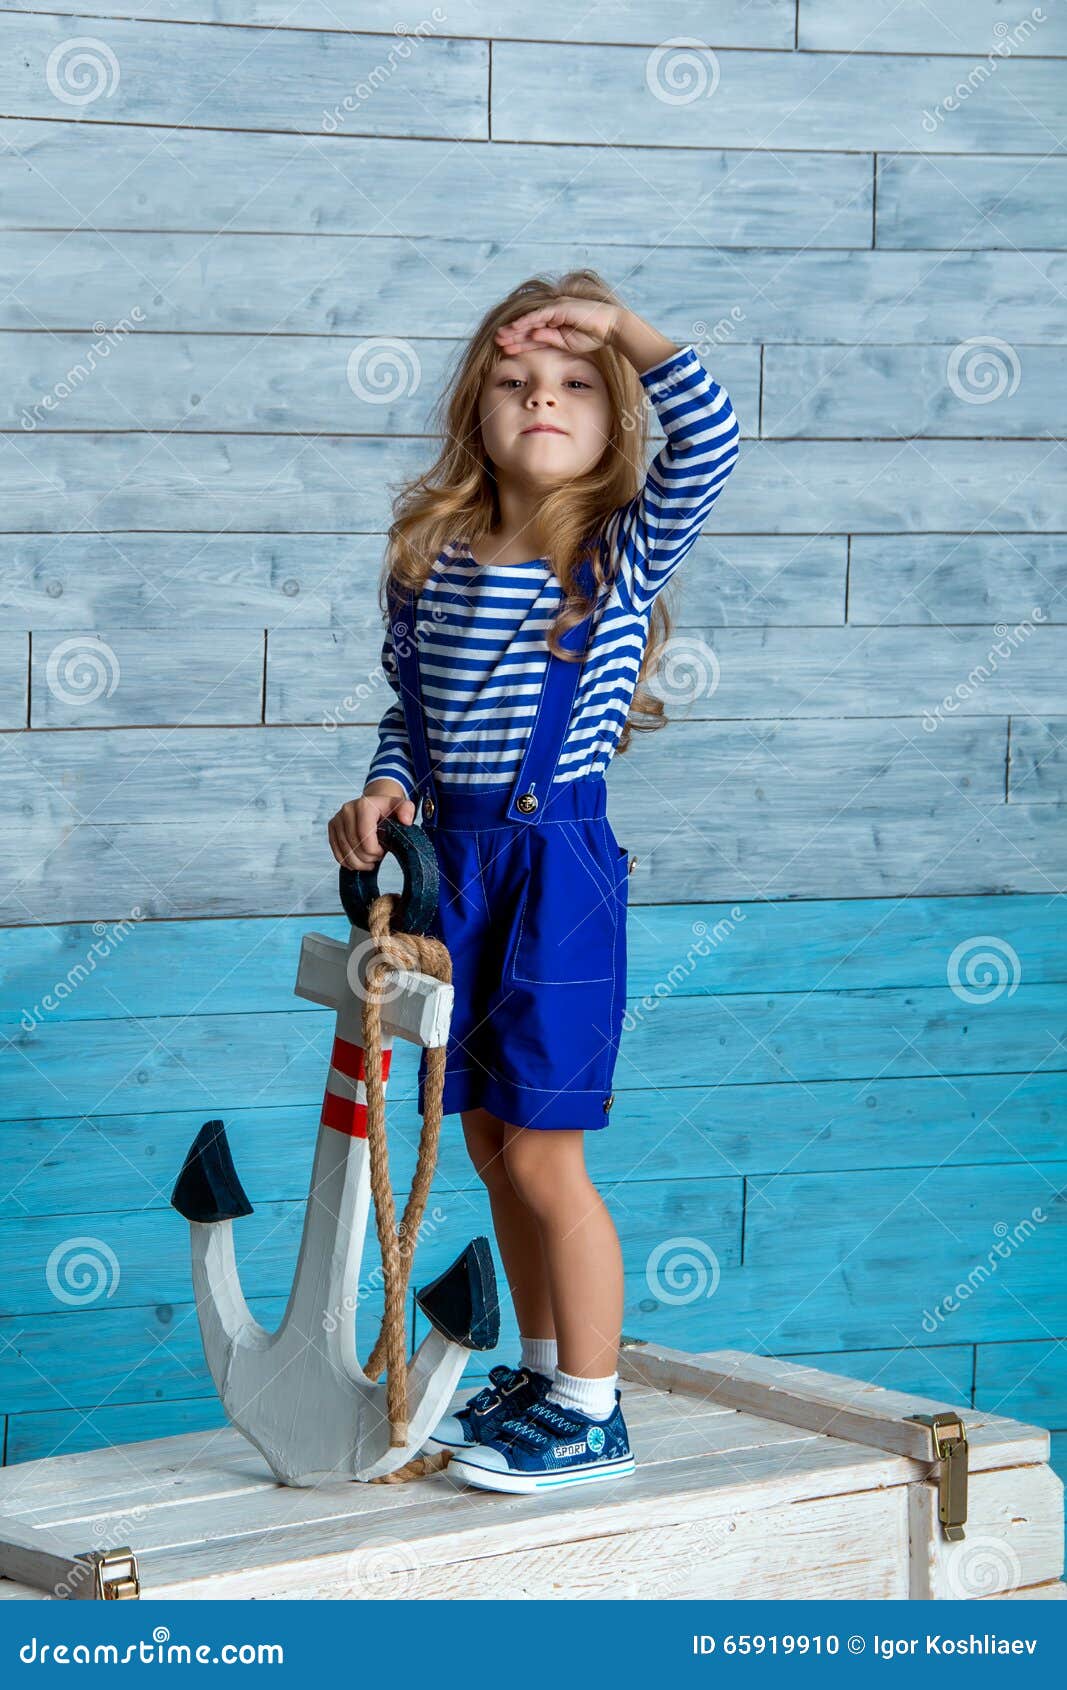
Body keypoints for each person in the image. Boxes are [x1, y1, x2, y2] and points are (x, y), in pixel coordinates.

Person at [327, 270, 740, 1493]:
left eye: (573, 383)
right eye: (513, 382)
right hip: (453, 865)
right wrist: (384, 792)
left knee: (550, 1157)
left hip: (554, 870)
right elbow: (410, 718)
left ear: (613, 422)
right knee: (496, 1139)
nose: (541, 398)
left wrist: (623, 328)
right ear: (474, 413)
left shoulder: (614, 550)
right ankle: (544, 1367)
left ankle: (595, 1410)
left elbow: (711, 437)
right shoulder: (428, 561)